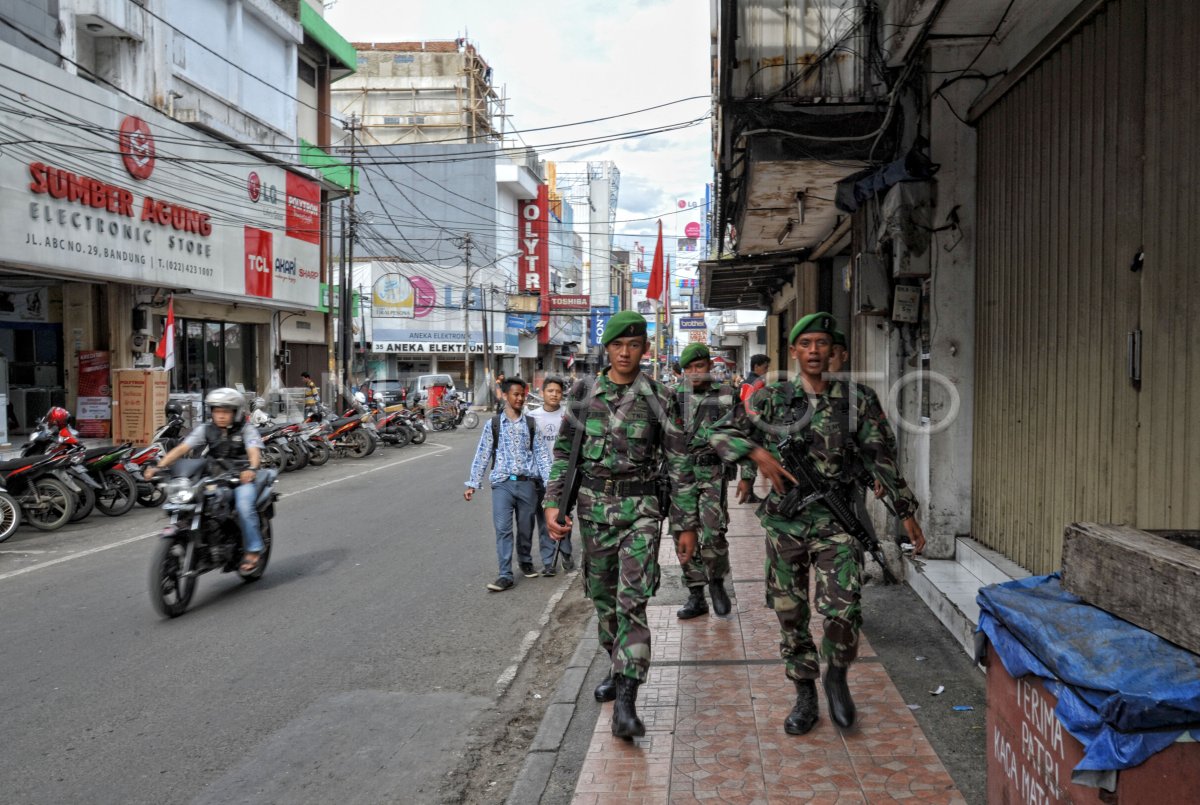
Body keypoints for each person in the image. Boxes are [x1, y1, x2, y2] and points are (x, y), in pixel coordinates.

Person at [706, 312, 926, 736]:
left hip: (836, 521)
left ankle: (837, 676)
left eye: (821, 343)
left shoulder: (857, 399)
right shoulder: (771, 398)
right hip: (786, 522)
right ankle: (804, 691)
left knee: (844, 610)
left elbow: (881, 458)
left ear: (835, 353)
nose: (813, 351)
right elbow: (718, 433)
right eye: (805, 343)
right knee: (790, 611)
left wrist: (906, 513)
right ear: (793, 352)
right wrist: (757, 455)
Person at [544, 311, 700, 740]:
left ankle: (627, 700)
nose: (626, 352)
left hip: (641, 511)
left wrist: (686, 525)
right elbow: (564, 453)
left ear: (644, 350)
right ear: (607, 349)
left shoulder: (661, 397)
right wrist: (553, 503)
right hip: (594, 512)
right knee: (603, 599)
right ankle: (616, 664)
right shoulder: (583, 392)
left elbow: (680, 463)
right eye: (618, 345)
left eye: (634, 345)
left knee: (632, 600)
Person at [147, 388, 266, 573]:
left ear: (236, 412)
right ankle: (205, 543)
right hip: (214, 477)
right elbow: (182, 448)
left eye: (225, 412)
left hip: (241, 478)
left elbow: (253, 451)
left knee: (244, 507)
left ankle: (253, 550)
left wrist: (251, 468)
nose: (220, 416)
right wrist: (159, 466)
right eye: (217, 411)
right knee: (196, 502)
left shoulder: (246, 429)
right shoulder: (206, 429)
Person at [671, 343, 750, 620]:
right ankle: (696, 594)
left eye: (699, 366)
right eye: (689, 369)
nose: (694, 373)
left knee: (713, 532)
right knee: (683, 532)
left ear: (709, 366)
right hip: (681, 476)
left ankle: (716, 581)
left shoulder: (727, 395)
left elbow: (745, 435)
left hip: (713, 474)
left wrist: (747, 476)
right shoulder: (674, 397)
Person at [463, 376, 548, 591]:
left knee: (526, 527)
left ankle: (525, 560)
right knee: (503, 529)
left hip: (528, 484)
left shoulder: (531, 424)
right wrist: (473, 482)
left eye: (522, 395)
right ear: (505, 395)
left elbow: (541, 456)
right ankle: (505, 574)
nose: (520, 398)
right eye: (515, 394)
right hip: (502, 485)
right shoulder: (493, 425)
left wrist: (550, 484)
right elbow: (482, 453)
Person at [527, 376, 574, 575]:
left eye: (558, 391)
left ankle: (565, 554)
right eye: (550, 391)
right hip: (539, 477)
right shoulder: (532, 417)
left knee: (564, 517)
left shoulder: (568, 417)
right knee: (544, 519)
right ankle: (548, 561)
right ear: (542, 393)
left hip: (563, 477)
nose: (554, 394)